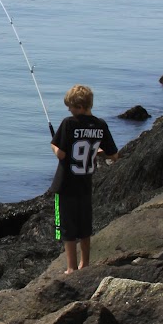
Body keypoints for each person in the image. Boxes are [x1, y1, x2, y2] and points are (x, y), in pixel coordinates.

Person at [50, 84, 118, 273]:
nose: (69, 110)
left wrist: (53, 147)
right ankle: (85, 264)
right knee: (84, 226)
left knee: (67, 227)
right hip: (85, 184)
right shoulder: (100, 125)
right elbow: (113, 155)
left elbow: (61, 154)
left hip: (65, 185)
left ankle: (71, 268)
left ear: (79, 106)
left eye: (70, 107)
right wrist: (97, 152)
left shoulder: (68, 123)